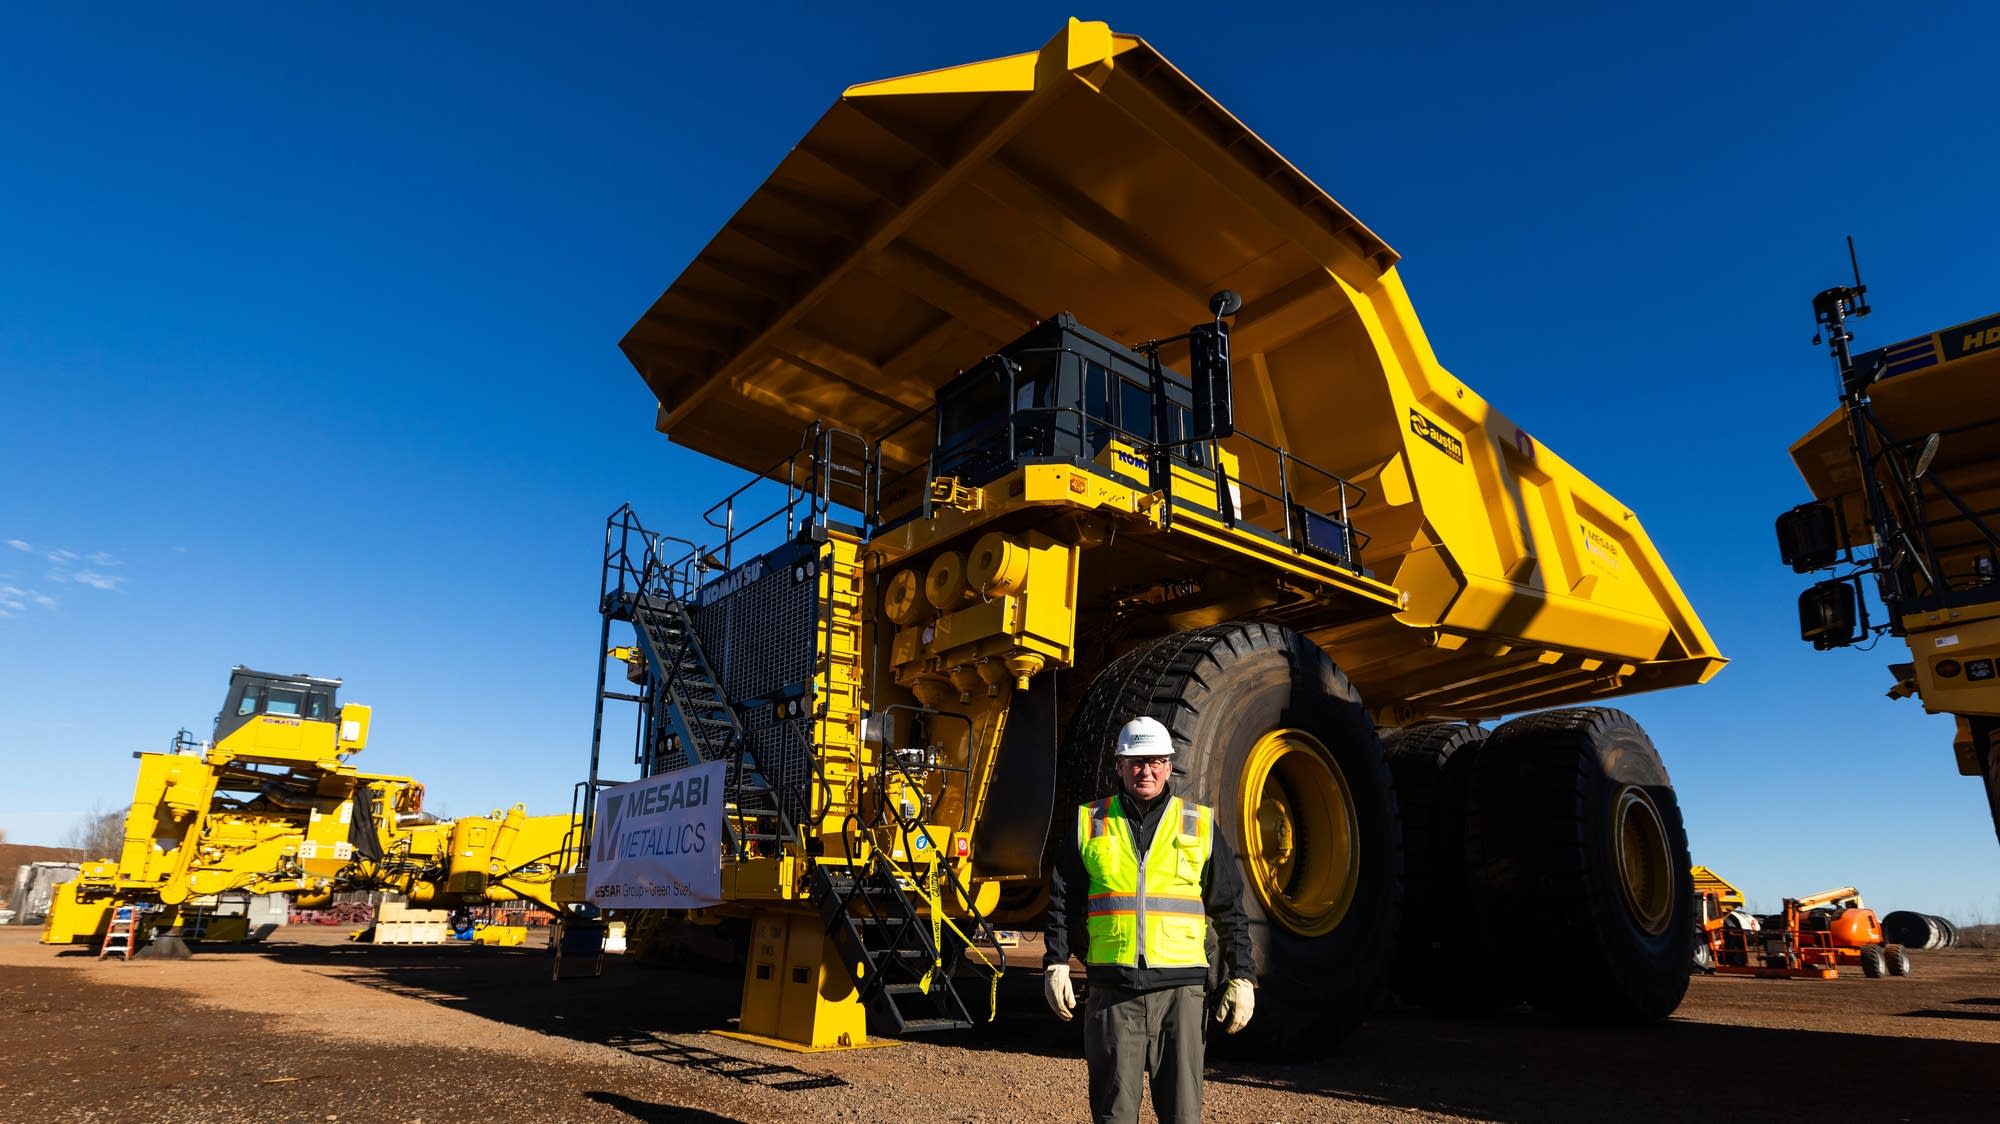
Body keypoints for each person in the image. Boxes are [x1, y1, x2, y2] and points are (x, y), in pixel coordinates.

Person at [1042, 715, 1257, 1124]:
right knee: (1114, 1115)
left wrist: (1242, 976)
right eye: (1136, 761)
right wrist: (1055, 961)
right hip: (1112, 990)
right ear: (1119, 766)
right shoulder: (1090, 822)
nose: (1146, 770)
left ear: (1169, 766)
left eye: (1156, 761)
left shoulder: (1199, 824)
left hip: (1182, 994)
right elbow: (1061, 899)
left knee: (1182, 1115)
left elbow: (1229, 908)